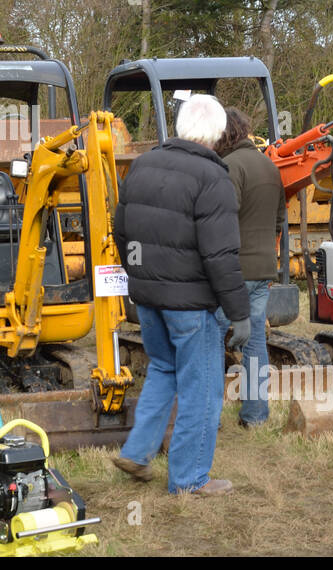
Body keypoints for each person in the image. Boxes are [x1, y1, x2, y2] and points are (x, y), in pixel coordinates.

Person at [111, 94, 249, 496]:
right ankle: (189, 478)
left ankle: (137, 453)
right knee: (201, 388)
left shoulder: (142, 165)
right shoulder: (213, 178)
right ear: (219, 133)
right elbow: (220, 255)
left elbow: (122, 233)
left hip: (148, 299)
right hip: (189, 307)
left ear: (181, 125)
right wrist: (239, 311)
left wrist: (140, 275)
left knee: (162, 370)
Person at [213, 107, 287, 428]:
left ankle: (209, 415)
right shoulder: (269, 165)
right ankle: (255, 416)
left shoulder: (230, 166)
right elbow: (280, 220)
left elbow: (224, 218)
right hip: (263, 270)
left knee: (212, 337)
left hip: (234, 270)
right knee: (256, 340)